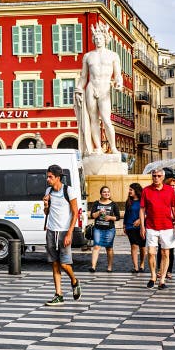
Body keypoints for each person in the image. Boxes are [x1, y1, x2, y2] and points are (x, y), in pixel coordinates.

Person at [74, 21, 123, 155]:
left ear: (105, 39)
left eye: (100, 38)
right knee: (93, 119)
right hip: (91, 87)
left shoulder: (113, 55)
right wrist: (78, 89)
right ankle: (97, 148)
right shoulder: (88, 56)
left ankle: (113, 147)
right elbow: (83, 76)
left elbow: (118, 75)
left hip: (105, 88)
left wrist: (119, 83)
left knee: (106, 120)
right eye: (95, 38)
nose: (97, 40)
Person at [42, 164, 81, 306]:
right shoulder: (48, 190)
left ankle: (74, 281)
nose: (48, 179)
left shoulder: (68, 191)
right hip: (51, 230)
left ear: (58, 178)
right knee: (54, 263)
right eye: (47, 176)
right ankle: (59, 294)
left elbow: (75, 213)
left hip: (64, 231)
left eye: (50, 177)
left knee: (64, 263)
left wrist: (70, 232)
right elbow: (46, 213)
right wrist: (46, 204)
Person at [140, 168, 175, 289]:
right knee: (151, 253)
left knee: (165, 253)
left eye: (159, 176)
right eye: (154, 176)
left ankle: (162, 280)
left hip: (167, 226)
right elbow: (142, 210)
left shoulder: (169, 190)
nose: (156, 178)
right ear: (152, 177)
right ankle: (153, 276)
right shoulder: (146, 190)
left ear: (163, 177)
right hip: (151, 226)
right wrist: (142, 227)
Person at [156, 176, 175, 279]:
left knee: (170, 250)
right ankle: (160, 269)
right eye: (171, 185)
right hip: (162, 225)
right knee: (161, 249)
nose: (173, 187)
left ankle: (169, 271)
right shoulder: (162, 195)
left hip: (173, 226)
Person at [89, 186, 120, 272]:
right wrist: (99, 212)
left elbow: (117, 217)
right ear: (101, 193)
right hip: (98, 228)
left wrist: (110, 217)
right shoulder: (96, 203)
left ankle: (109, 267)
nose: (106, 194)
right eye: (104, 192)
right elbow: (92, 216)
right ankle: (93, 266)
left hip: (109, 229)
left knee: (109, 248)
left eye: (108, 192)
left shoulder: (113, 204)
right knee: (96, 246)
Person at [123, 183, 146, 273]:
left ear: (136, 190)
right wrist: (124, 225)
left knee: (142, 247)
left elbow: (147, 212)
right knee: (134, 245)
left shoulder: (143, 200)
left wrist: (140, 220)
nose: (129, 191)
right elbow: (126, 214)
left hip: (142, 227)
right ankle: (135, 267)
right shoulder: (128, 201)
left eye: (131, 190)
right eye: (129, 189)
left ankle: (142, 264)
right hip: (130, 226)